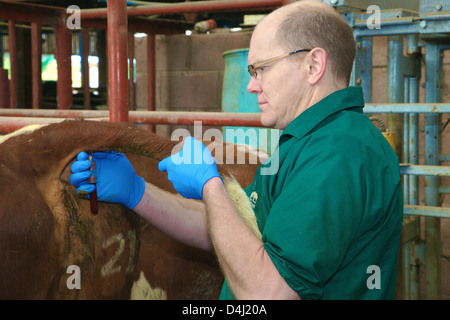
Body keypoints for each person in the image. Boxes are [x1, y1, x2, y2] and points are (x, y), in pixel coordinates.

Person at [70, 0, 403, 300]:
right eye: (250, 71)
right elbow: (235, 227)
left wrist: (210, 185)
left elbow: (270, 293)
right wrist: (137, 192)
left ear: (314, 65)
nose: (251, 84)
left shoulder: (336, 153)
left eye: (262, 68)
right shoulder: (315, 140)